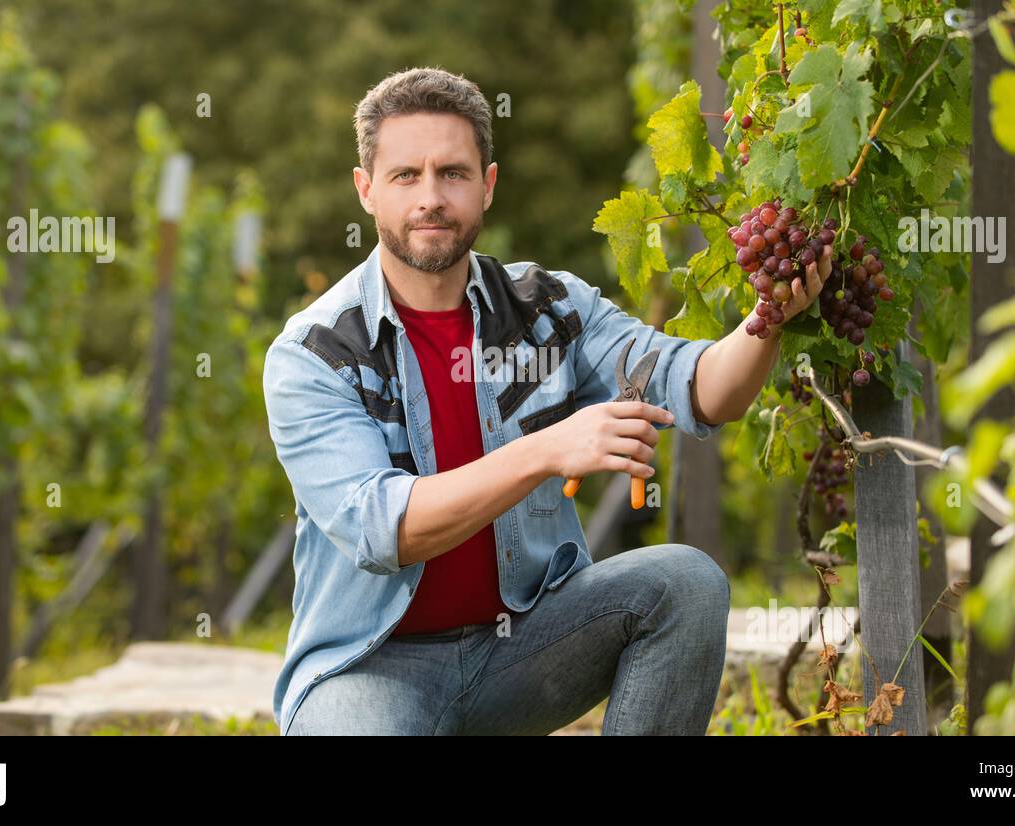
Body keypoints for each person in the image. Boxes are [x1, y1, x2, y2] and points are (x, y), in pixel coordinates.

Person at [262, 66, 827, 735]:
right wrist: (549, 449)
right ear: (366, 190)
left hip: (521, 651)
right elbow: (384, 530)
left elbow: (699, 385)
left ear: (487, 184)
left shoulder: (548, 308)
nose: (431, 198)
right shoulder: (316, 352)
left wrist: (768, 317)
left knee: (687, 584)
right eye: (405, 176)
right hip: (369, 669)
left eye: (453, 173)